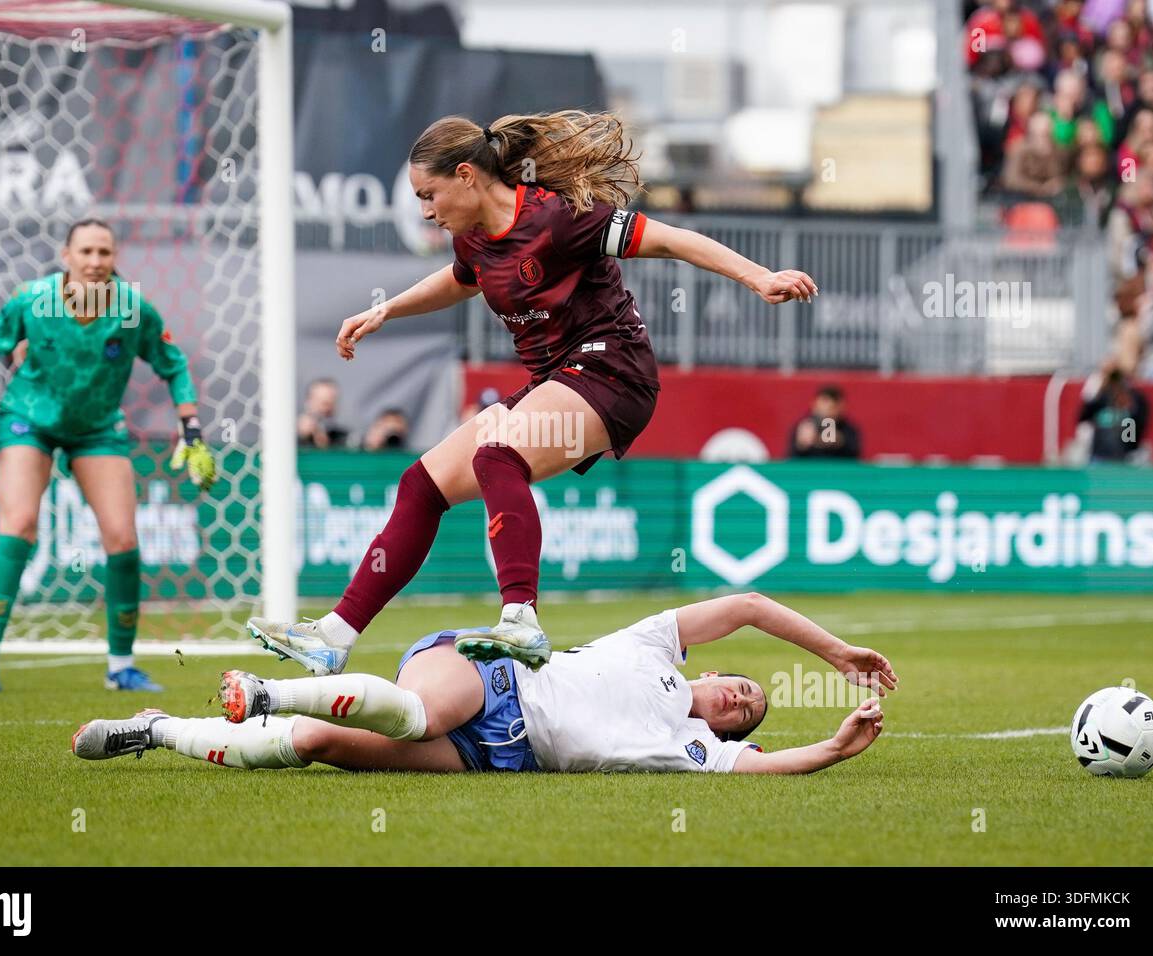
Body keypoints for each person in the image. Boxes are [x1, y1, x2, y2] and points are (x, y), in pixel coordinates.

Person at [246, 109, 818, 676]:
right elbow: (459, 281)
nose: (425, 211)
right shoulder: (473, 239)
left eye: (430, 194)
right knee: (420, 485)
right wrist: (387, 309)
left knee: (498, 453)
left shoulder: (563, 218)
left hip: (613, 374)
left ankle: (521, 619)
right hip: (556, 380)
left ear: (467, 175)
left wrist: (759, 277)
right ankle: (334, 637)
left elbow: (672, 241)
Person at [72, 591, 895, 775]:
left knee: (316, 747)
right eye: (741, 689)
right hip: (490, 677)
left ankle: (158, 729)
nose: (737, 702)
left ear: (723, 733)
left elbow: (768, 768)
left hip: (503, 753)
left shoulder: (688, 750)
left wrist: (830, 747)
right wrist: (838, 652)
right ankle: (268, 692)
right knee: (420, 709)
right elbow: (749, 604)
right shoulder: (654, 648)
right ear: (710, 673)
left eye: (743, 715)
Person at [0, 217, 218, 694]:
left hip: (98, 428)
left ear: (115, 258)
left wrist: (192, 430)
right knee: (17, 526)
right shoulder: (32, 299)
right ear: (66, 256)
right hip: (27, 419)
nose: (96, 261)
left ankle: (121, 667)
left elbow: (173, 364)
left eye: (104, 252)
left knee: (122, 539)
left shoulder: (132, 307)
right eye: (86, 252)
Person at [1079, 365, 1151, 461]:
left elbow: (1139, 425)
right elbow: (1083, 417)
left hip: (1125, 457)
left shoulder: (1135, 399)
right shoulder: (1102, 398)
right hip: (1100, 455)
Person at [789, 385, 862, 459]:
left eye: (832, 407)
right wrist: (801, 445)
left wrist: (841, 442)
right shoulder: (803, 427)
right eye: (824, 403)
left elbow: (855, 457)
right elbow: (790, 458)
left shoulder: (849, 429)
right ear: (814, 405)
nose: (827, 411)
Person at [296, 377, 348, 448]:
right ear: (308, 401)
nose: (326, 408)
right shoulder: (289, 433)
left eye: (331, 402)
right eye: (323, 403)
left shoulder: (343, 437)